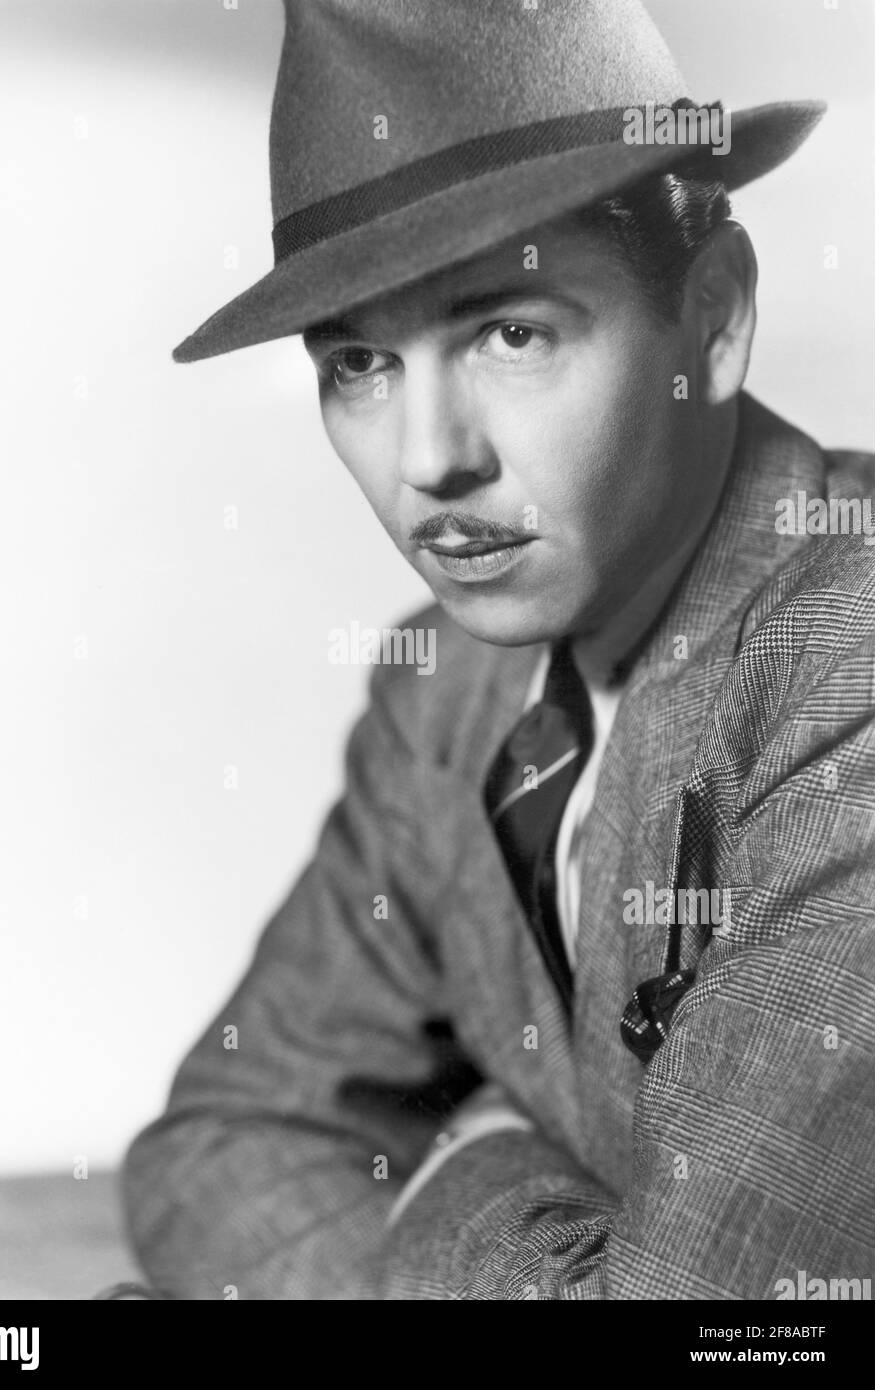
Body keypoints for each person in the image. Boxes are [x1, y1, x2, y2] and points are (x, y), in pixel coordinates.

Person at [122, 0, 875, 1299]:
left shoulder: (853, 661)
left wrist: (453, 1166)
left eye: (511, 331)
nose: (429, 460)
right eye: (358, 362)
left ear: (715, 317)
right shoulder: (446, 696)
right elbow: (210, 1150)